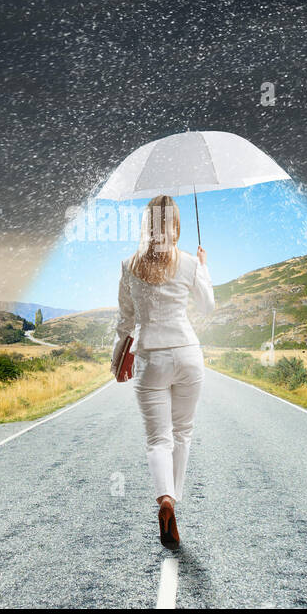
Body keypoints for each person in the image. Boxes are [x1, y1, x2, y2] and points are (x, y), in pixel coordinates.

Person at [111, 195, 215, 548]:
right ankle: (175, 499)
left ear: (146, 224)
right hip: (187, 353)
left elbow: (125, 320)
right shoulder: (188, 263)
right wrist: (204, 267)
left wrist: (117, 358)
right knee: (182, 432)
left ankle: (164, 498)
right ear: (176, 225)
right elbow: (208, 306)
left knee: (158, 439)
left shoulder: (128, 265)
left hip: (150, 358)